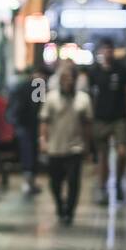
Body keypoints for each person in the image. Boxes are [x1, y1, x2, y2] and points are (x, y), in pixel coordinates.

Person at [40, 62, 92, 226]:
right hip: (55, 148)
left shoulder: (83, 99)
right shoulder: (51, 98)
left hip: (75, 148)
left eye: (71, 78)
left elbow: (87, 124)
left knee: (74, 182)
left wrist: (88, 146)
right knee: (54, 183)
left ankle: (69, 212)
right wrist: (43, 140)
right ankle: (60, 206)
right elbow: (44, 121)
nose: (68, 81)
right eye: (64, 78)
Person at [89, 38, 126, 203]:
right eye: (105, 49)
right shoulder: (95, 72)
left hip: (120, 117)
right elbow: (90, 95)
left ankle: (118, 181)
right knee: (103, 156)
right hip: (101, 118)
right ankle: (103, 188)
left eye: (110, 49)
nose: (107, 52)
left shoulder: (121, 70)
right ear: (101, 51)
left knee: (122, 153)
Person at [8, 65, 47, 195]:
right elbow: (37, 108)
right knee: (29, 154)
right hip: (28, 125)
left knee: (29, 153)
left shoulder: (24, 85)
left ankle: (29, 183)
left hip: (25, 124)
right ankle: (28, 183)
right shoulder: (35, 86)